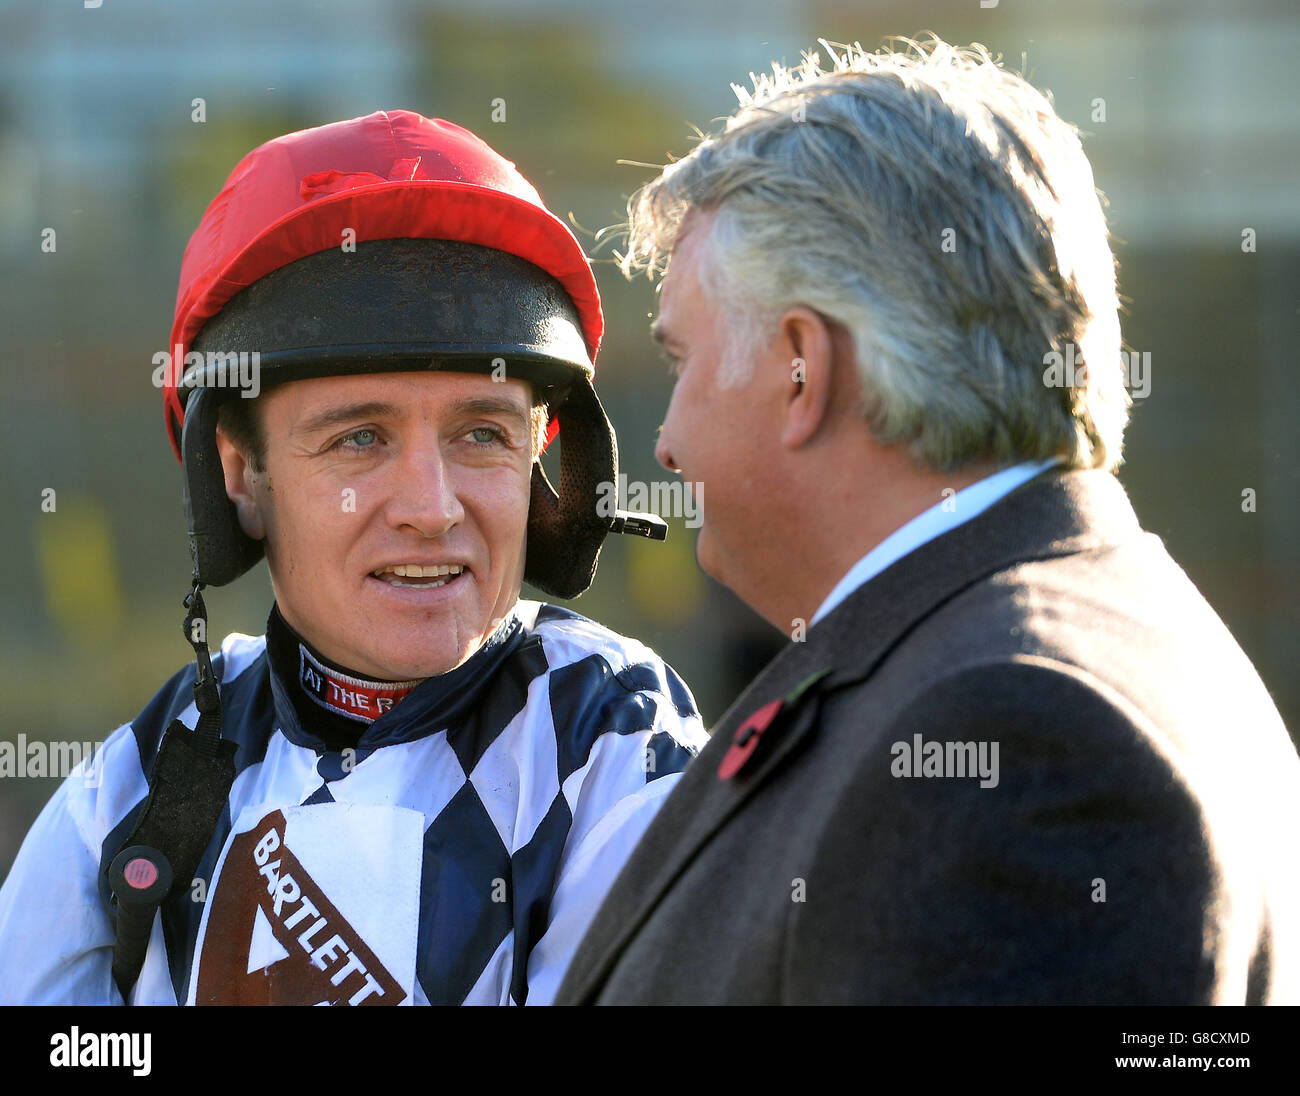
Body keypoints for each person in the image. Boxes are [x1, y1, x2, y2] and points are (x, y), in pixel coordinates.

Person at [555, 37, 1300, 1004]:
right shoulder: (1035, 651)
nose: (666, 441)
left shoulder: (1014, 737)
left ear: (800, 370)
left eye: (680, 363)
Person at [0, 110, 706, 1006]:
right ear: (240, 480)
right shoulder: (150, 773)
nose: (430, 507)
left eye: (482, 434)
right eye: (360, 439)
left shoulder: (609, 737)